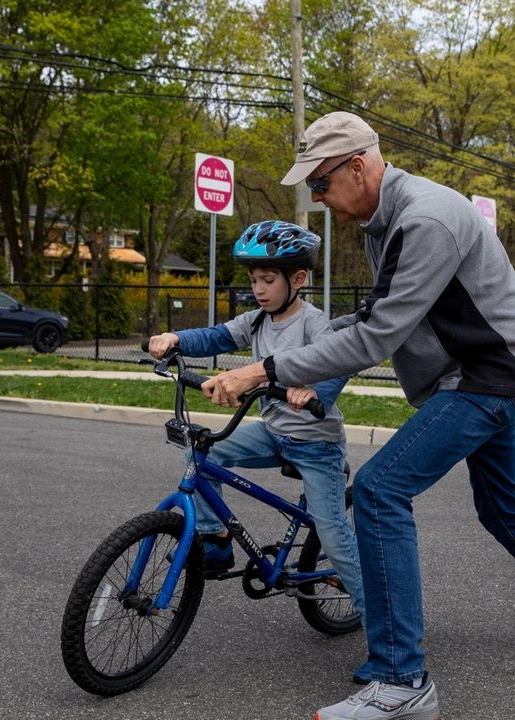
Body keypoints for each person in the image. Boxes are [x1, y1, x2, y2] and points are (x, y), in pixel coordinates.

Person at [200, 112, 515, 720]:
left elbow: (378, 336)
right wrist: (291, 361)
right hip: (474, 375)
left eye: (321, 184)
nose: (319, 199)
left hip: (489, 378)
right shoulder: (382, 222)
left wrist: (265, 370)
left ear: (356, 166)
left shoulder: (425, 218)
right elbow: (370, 318)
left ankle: (402, 681)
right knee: (504, 510)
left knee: (382, 490)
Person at [146, 219, 371, 682]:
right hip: (273, 432)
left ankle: (385, 632)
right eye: (254, 280)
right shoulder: (257, 321)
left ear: (298, 279)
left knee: (333, 534)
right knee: (204, 452)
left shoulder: (314, 323)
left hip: (316, 444)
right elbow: (216, 336)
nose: (259, 289)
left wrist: (313, 392)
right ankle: (214, 541)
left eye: (268, 280)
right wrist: (175, 339)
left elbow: (338, 361)